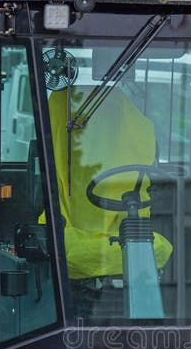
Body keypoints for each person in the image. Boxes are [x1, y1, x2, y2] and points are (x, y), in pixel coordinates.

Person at [47, 84, 172, 282]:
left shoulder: (130, 162)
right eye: (92, 129)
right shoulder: (62, 162)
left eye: (107, 125)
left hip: (124, 234)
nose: (98, 134)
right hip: (69, 233)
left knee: (151, 247)